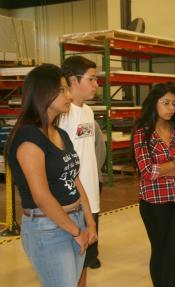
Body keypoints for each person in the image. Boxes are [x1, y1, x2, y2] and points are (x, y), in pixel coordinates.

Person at [6, 64, 97, 287]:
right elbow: (41, 196)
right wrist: (75, 231)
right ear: (42, 93)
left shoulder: (60, 133)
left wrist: (89, 222)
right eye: (62, 90)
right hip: (48, 228)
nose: (68, 95)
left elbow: (75, 179)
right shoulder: (29, 136)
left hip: (74, 220)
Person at [132, 82, 175, 287]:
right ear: (154, 103)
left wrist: (169, 168)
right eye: (165, 103)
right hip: (153, 202)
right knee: (160, 250)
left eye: (174, 104)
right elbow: (148, 172)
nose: (171, 108)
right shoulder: (143, 133)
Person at [58, 55, 100, 286]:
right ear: (73, 80)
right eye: (91, 79)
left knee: (84, 261)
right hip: (72, 201)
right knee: (70, 264)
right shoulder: (63, 115)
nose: (96, 85)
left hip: (91, 198)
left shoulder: (89, 113)